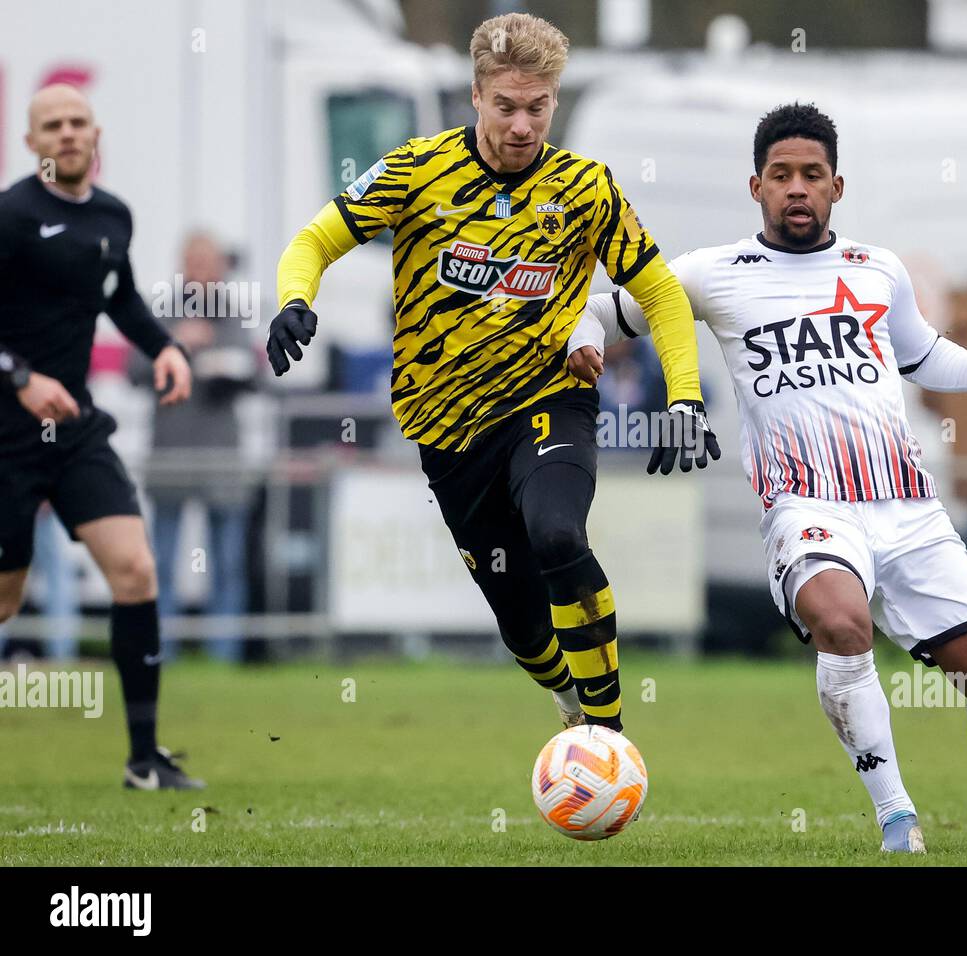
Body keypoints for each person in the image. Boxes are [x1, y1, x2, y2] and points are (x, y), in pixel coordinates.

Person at [568, 103, 967, 852]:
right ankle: (896, 816)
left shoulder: (877, 270)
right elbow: (604, 309)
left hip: (906, 506)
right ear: (756, 186)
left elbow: (921, 355)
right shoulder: (711, 272)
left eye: (811, 175)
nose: (796, 188)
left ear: (836, 186)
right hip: (805, 504)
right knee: (841, 623)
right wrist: (583, 342)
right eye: (781, 175)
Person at [267, 13, 717, 732]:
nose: (521, 125)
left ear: (555, 103)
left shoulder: (585, 188)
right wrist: (295, 299)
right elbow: (315, 239)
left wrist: (686, 398)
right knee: (524, 628)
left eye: (537, 107)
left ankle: (607, 734)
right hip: (447, 431)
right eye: (506, 106)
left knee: (560, 536)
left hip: (549, 400)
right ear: (476, 96)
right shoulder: (417, 170)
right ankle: (568, 700)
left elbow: (661, 291)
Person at [0, 84, 203, 789]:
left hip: (76, 429)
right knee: (4, 598)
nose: (65, 133)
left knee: (137, 571)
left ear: (95, 134)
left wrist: (167, 345)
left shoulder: (114, 217)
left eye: (76, 122)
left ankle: (144, 760)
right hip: (5, 432)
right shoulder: (12, 216)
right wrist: (19, 376)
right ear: (31, 143)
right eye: (50, 125)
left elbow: (117, 297)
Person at [134, 232, 257, 663]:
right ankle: (159, 652)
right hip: (170, 453)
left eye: (210, 262)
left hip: (222, 456)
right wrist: (178, 346)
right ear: (183, 265)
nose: (204, 271)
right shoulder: (162, 310)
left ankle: (223, 657)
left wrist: (223, 364)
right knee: (161, 562)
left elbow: (255, 372)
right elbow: (133, 368)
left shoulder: (235, 313)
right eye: (195, 262)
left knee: (227, 563)